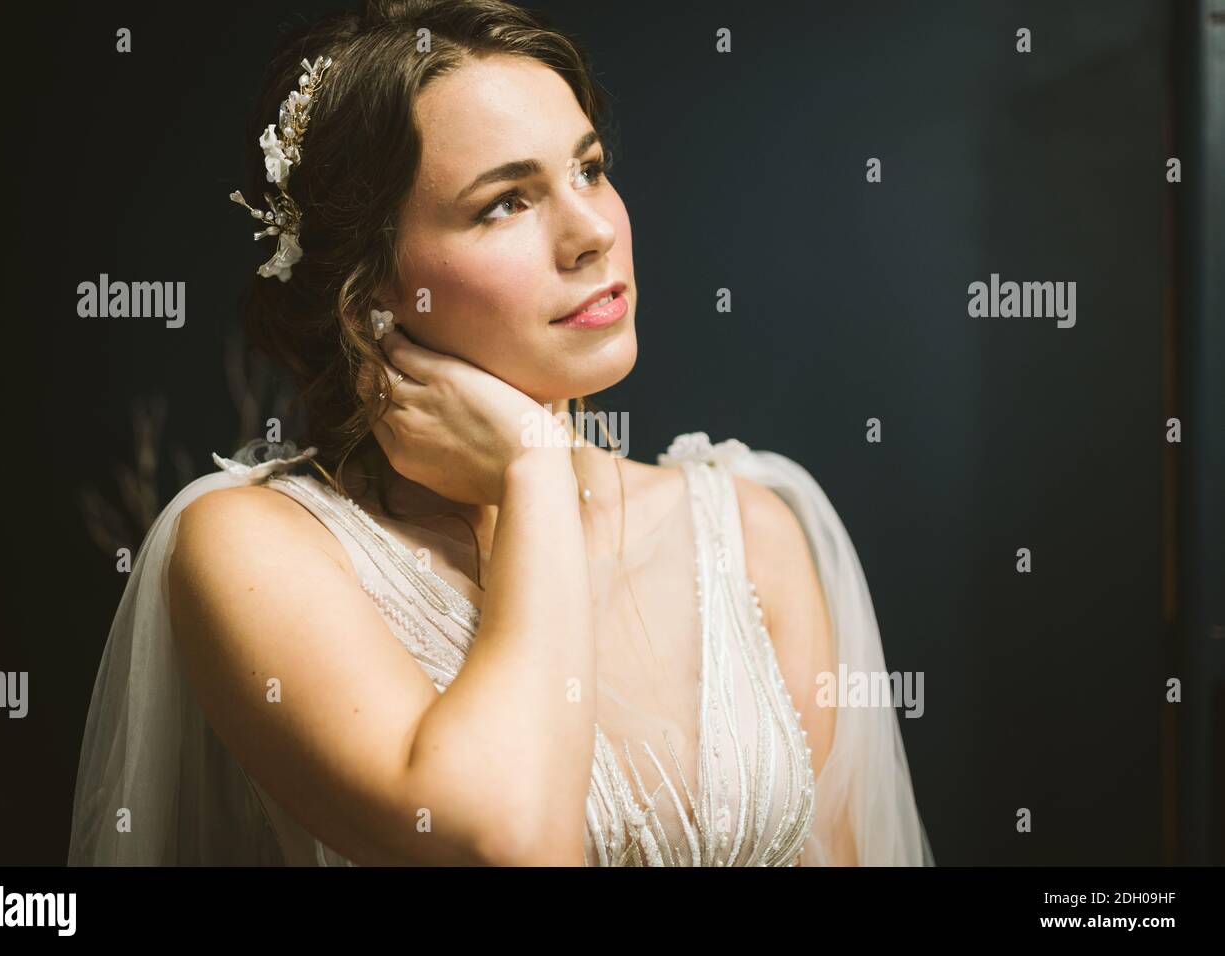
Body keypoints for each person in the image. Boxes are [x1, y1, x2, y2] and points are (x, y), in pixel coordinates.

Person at [68, 0, 934, 867]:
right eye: (505, 203)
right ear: (369, 290)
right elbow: (507, 840)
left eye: (590, 170)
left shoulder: (750, 531)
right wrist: (534, 467)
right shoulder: (251, 548)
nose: (592, 232)